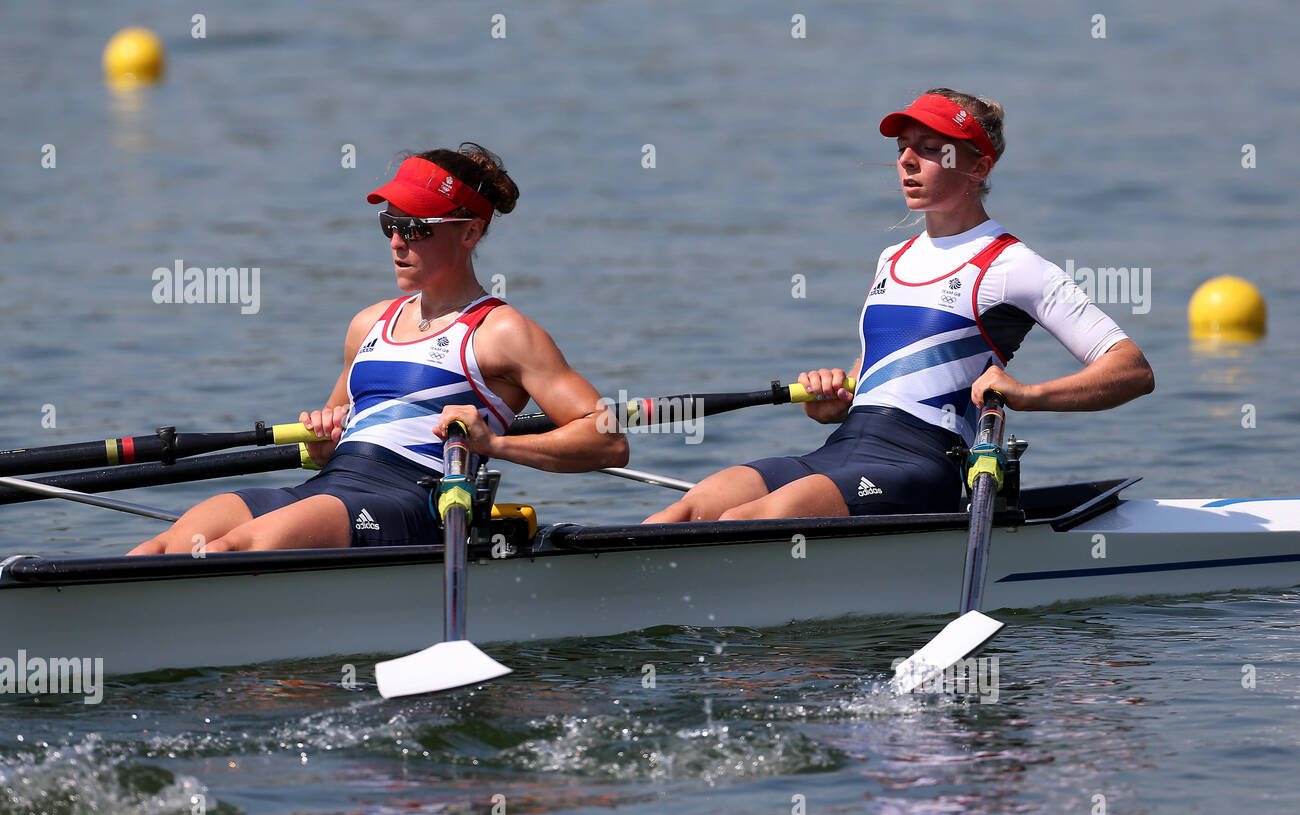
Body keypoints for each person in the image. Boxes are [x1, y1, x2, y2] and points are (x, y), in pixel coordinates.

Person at [646, 89, 1154, 523]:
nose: (908, 161)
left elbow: (1131, 369)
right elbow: (876, 376)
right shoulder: (892, 259)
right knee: (686, 512)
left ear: (979, 165)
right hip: (843, 449)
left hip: (918, 466)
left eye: (931, 149)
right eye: (903, 148)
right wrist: (833, 398)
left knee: (749, 519)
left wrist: (1027, 394)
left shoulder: (1015, 265)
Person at [130, 144, 628, 554]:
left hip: (412, 500)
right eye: (390, 223)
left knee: (236, 548)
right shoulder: (369, 323)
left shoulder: (503, 332)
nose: (396, 241)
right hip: (331, 488)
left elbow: (608, 441)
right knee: (170, 545)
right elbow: (325, 448)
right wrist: (321, 434)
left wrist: (495, 445)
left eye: (416, 228)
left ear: (469, 232)